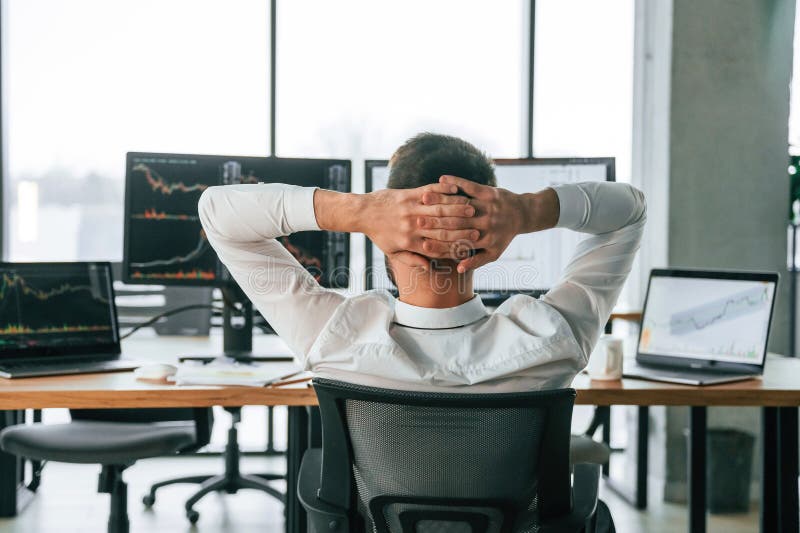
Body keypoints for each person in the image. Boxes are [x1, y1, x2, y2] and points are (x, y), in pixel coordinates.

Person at [198, 133, 646, 392]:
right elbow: (630, 210)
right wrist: (529, 211)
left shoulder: (331, 337)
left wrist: (359, 210)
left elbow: (216, 213)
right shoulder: (556, 336)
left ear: (386, 234)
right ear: (488, 238)